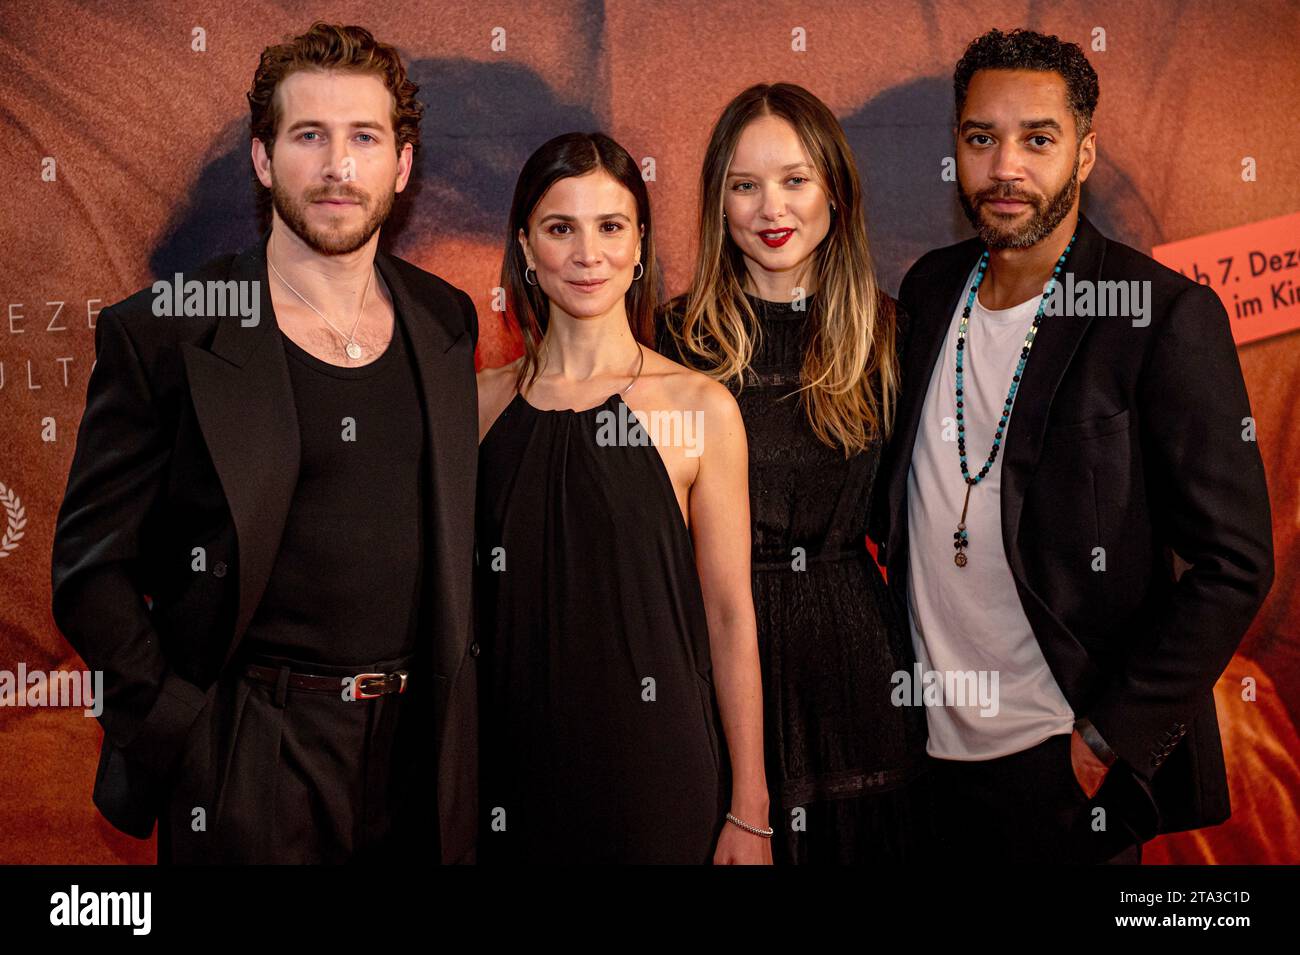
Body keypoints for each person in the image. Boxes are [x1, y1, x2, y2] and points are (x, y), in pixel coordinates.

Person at [49, 21, 481, 864]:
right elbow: (88, 568)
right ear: (262, 158)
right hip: (248, 756)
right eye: (308, 135)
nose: (337, 167)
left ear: (401, 163)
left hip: (417, 754)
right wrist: (183, 722)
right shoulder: (167, 335)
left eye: (364, 137)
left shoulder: (445, 321)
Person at [876, 27, 1274, 863]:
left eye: (1038, 139)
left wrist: (1105, 739)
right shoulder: (929, 289)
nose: (1006, 167)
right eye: (981, 137)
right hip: (922, 760)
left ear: (1084, 154)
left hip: (1061, 768)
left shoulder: (1160, 315)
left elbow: (1235, 562)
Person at [475, 131, 771, 864]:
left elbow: (732, 616)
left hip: (657, 774)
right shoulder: (473, 407)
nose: (587, 254)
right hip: (506, 774)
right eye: (559, 228)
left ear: (640, 244)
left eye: (610, 226)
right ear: (525, 248)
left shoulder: (699, 407)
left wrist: (752, 807)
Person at [656, 83, 929, 864]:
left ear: (835, 193)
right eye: (744, 184)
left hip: (856, 670)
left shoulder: (887, 334)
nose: (770, 207)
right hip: (713, 659)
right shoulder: (676, 338)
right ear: (717, 202)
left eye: (795, 179)